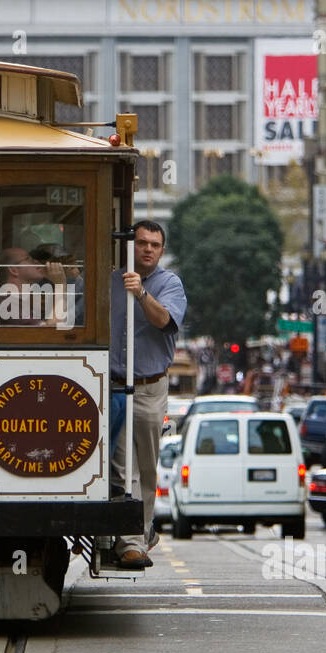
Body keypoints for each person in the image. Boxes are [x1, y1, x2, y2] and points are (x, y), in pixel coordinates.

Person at [109, 220, 187, 569]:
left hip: (151, 387)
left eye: (155, 244)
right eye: (142, 242)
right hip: (113, 384)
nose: (148, 249)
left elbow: (164, 321)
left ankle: (143, 529)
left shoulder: (170, 283)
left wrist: (141, 293)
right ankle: (131, 541)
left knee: (145, 466)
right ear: (131, 246)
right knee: (123, 467)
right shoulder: (111, 280)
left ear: (162, 249)